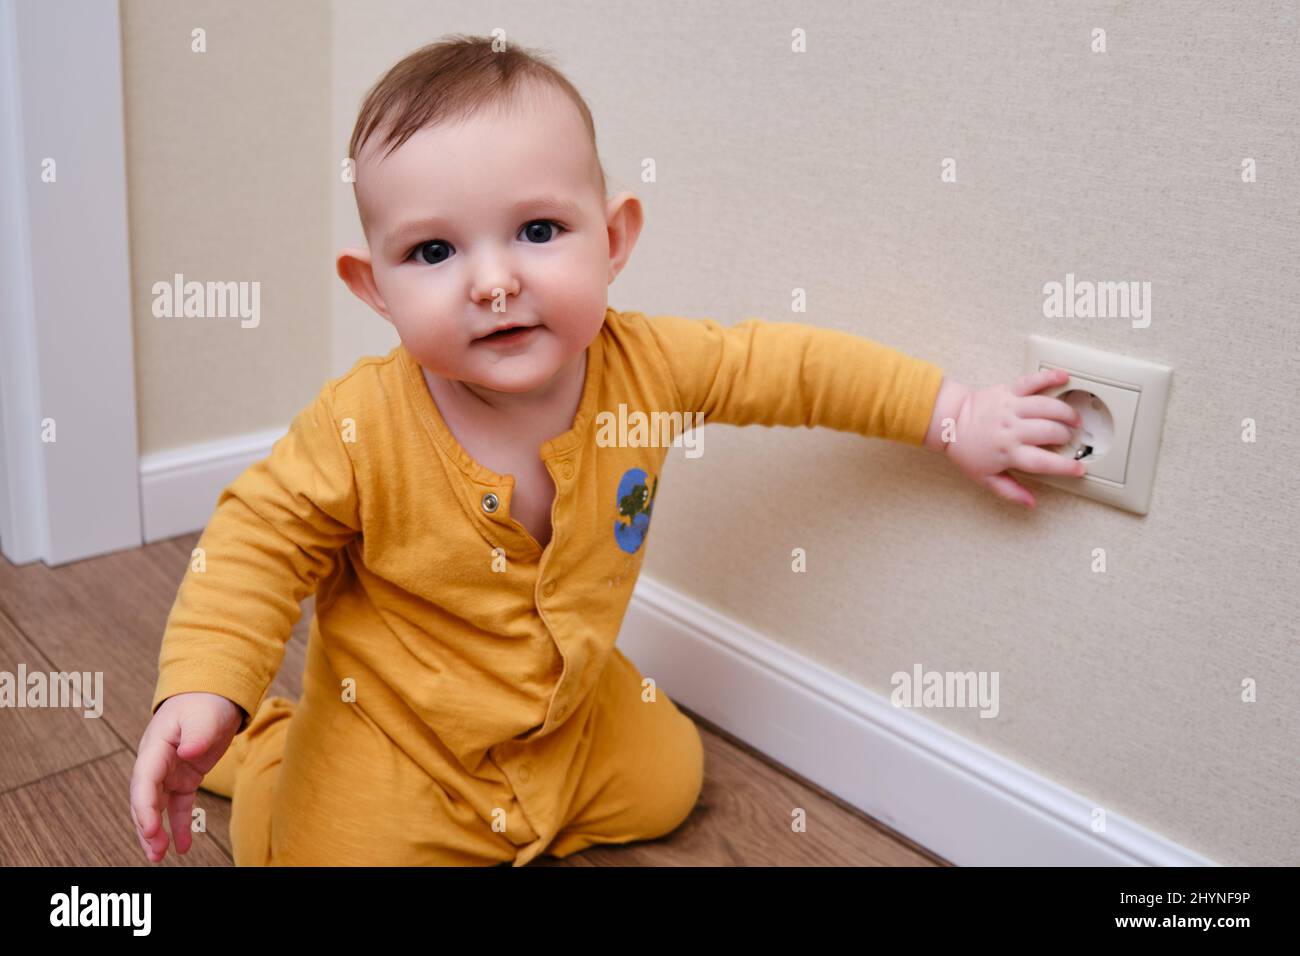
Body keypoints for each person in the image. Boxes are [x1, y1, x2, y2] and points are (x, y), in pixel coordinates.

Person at [129, 34, 1085, 867]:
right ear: (374, 288)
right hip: (396, 740)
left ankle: (517, 803)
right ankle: (271, 763)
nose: (495, 281)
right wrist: (207, 684)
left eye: (538, 230)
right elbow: (256, 538)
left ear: (615, 236)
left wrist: (953, 412)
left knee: (672, 778)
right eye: (433, 253)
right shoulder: (359, 425)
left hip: (563, 720)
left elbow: (790, 367)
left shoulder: (653, 366)